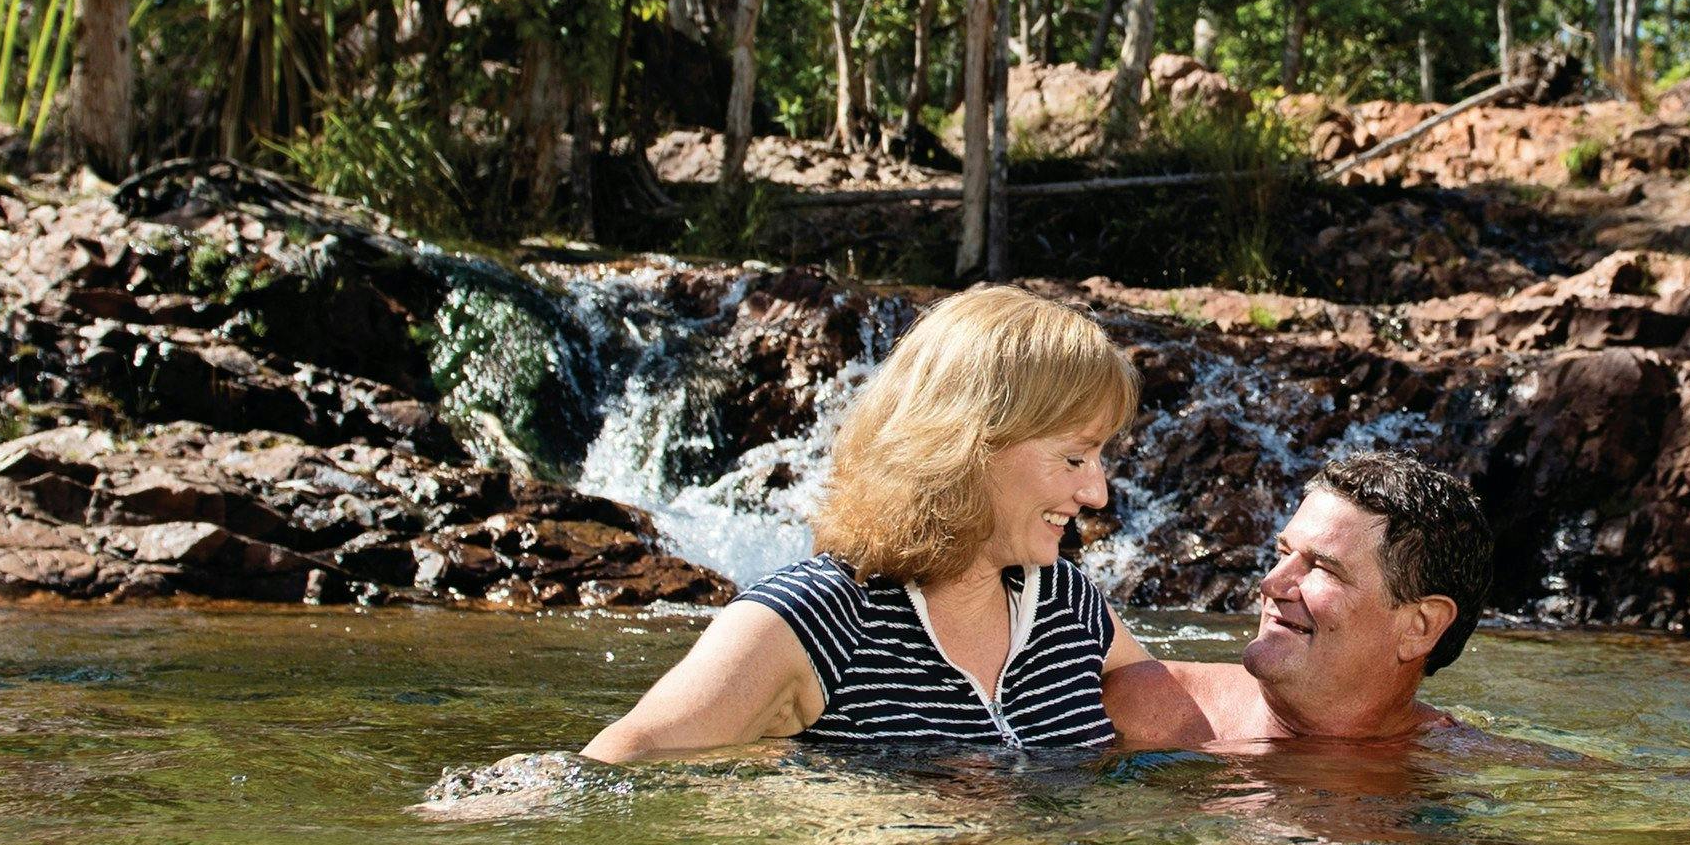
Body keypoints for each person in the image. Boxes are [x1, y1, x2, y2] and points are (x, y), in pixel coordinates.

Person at [564, 284, 1156, 763]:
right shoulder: (815, 616)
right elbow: (610, 774)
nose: (1097, 493)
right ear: (965, 447)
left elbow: (1196, 724)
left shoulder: (1067, 603)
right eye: (1075, 458)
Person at [1103, 450, 1489, 753]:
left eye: (1322, 568)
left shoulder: (1468, 772)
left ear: (1420, 627)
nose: (1271, 583)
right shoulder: (1139, 710)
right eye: (1282, 553)